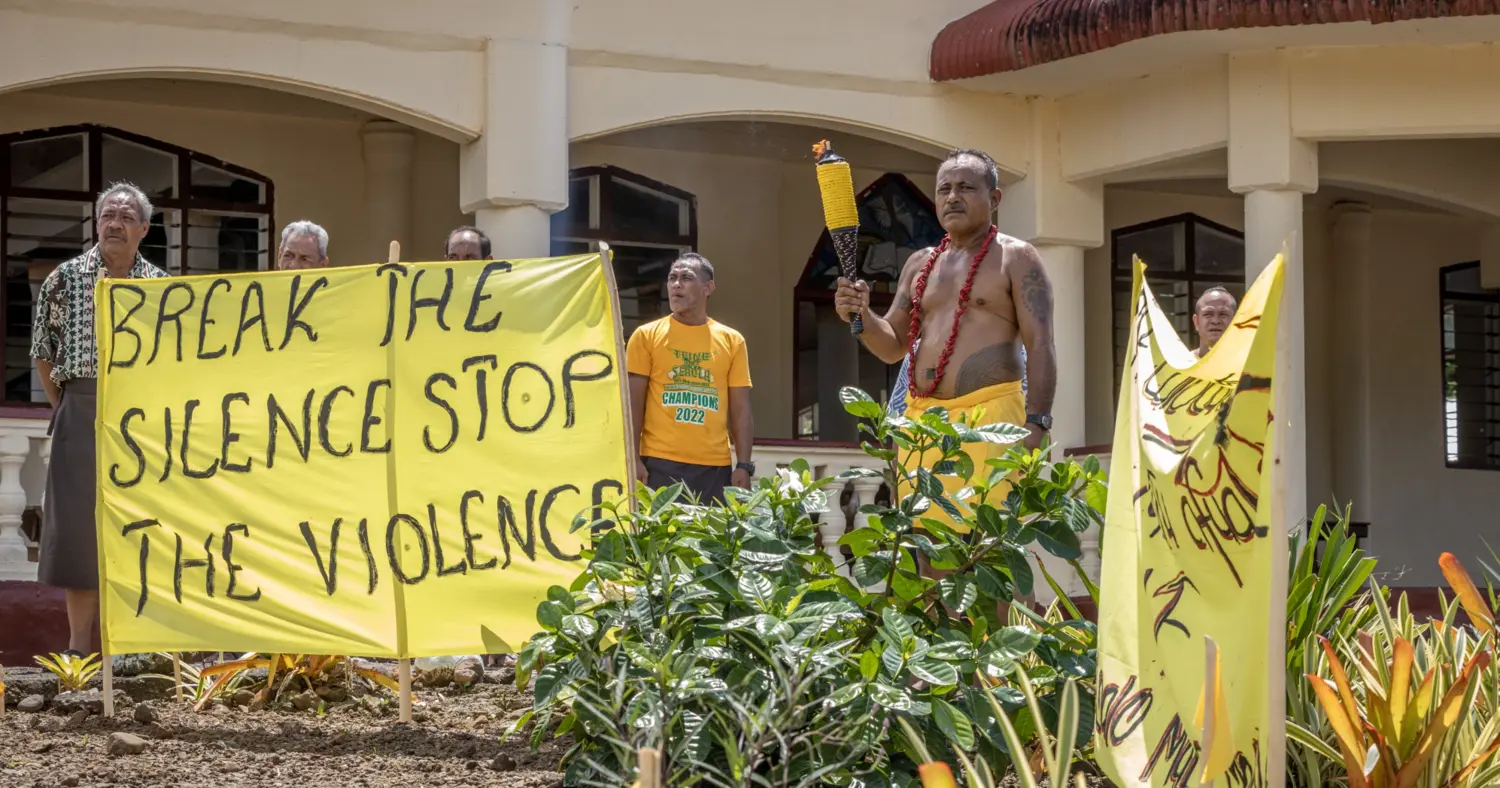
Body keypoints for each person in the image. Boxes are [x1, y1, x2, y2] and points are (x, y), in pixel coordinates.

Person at [835, 148, 1056, 536]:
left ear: (995, 198)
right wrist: (862, 315)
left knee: (992, 548)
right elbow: (892, 345)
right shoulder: (920, 264)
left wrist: (1037, 423)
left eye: (966, 187)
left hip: (992, 421)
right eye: (944, 189)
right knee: (930, 550)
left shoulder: (1016, 257)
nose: (952, 197)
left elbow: (1040, 344)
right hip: (925, 424)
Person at [31, 182, 171, 657]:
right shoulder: (64, 279)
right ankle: (77, 649)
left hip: (141, 422)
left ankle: (129, 648)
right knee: (78, 534)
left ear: (144, 229)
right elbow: (44, 354)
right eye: (109, 215)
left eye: (127, 217)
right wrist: (69, 409)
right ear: (97, 223)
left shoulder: (159, 286)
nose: (115, 223)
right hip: (80, 409)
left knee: (139, 528)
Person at [626, 253, 755, 504]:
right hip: (659, 464)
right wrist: (633, 459)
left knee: (709, 542)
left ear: (708, 287)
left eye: (686, 278)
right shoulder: (645, 336)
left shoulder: (732, 341)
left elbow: (741, 408)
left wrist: (744, 465)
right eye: (672, 278)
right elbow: (633, 404)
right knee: (662, 543)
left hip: (714, 467)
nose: (676, 284)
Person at [888, 339, 1026, 418]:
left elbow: (1027, 412)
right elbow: (898, 413)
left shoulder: (1015, 355)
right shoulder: (919, 351)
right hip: (924, 450)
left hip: (989, 452)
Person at [1193, 286, 1238, 358]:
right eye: (1208, 314)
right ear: (1196, 322)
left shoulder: (1249, 366)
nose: (1215, 321)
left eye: (1223, 314)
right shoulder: (1181, 365)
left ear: (1235, 321)